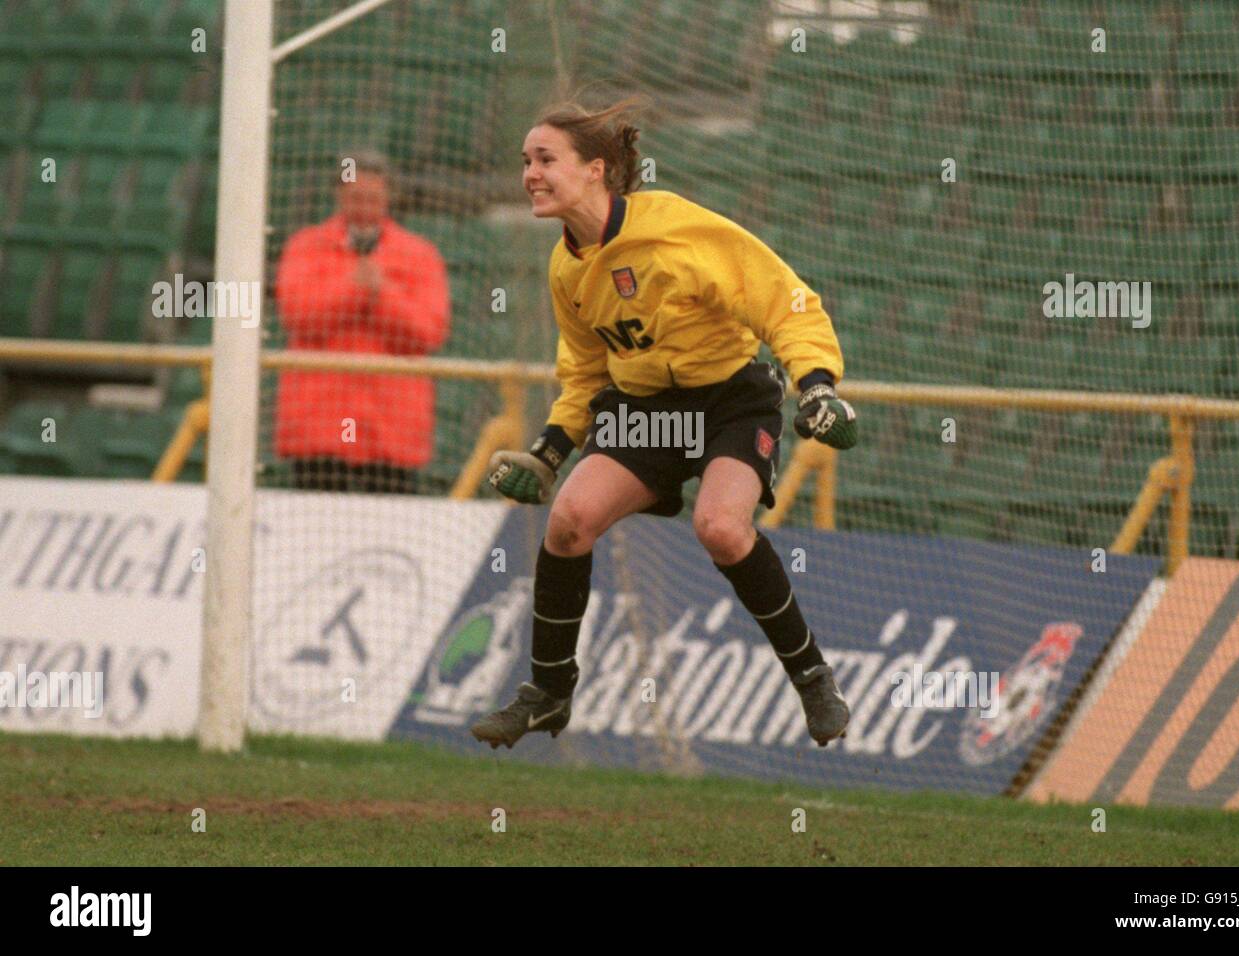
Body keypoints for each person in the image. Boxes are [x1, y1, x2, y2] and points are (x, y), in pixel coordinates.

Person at [472, 98, 858, 750]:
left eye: (545, 160)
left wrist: (817, 385)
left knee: (721, 528)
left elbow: (784, 300)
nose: (530, 174)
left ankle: (812, 676)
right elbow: (586, 372)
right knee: (568, 522)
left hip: (730, 404)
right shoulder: (566, 266)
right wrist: (548, 450)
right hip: (645, 413)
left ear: (596, 169)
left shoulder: (677, 229)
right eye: (525, 162)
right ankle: (547, 695)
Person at [274, 150, 451, 494]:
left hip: (391, 428)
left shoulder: (420, 255)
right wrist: (355, 289)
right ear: (339, 196)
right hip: (321, 425)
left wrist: (382, 294)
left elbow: (429, 331)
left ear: (388, 198)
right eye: (356, 197)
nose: (364, 207)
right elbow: (297, 314)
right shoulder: (306, 246)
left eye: (372, 198)